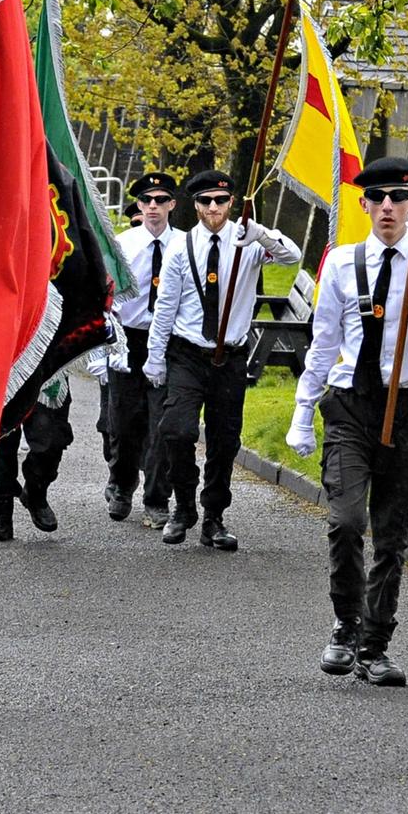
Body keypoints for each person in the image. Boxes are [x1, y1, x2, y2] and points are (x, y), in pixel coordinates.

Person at [286, 157, 408, 688]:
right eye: (380, 198)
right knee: (347, 519)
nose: (390, 206)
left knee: (391, 535)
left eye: (401, 197)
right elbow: (324, 341)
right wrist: (304, 410)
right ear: (364, 205)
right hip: (352, 407)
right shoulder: (343, 263)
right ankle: (345, 623)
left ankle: (375, 644)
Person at [144, 168, 301, 551]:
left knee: (224, 440)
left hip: (230, 356)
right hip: (187, 353)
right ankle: (183, 505)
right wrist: (155, 356)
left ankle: (213, 515)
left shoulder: (247, 241)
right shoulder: (182, 246)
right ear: (195, 206)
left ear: (231, 203)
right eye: (204, 201)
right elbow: (166, 305)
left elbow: (291, 256)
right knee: (176, 430)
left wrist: (260, 233)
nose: (213, 207)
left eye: (220, 200)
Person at [106, 171, 178, 527]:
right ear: (138, 205)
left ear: (172, 205)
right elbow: (108, 293)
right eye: (147, 201)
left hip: (165, 340)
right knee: (123, 419)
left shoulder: (182, 245)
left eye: (161, 200)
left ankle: (157, 497)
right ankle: (120, 484)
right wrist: (109, 340)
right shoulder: (123, 244)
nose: (153, 207)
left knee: (161, 422)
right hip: (130, 338)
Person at [0, 373, 75, 541]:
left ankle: (35, 492)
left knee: (52, 437)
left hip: (47, 365)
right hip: (4, 363)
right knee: (0, 437)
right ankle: (2, 514)